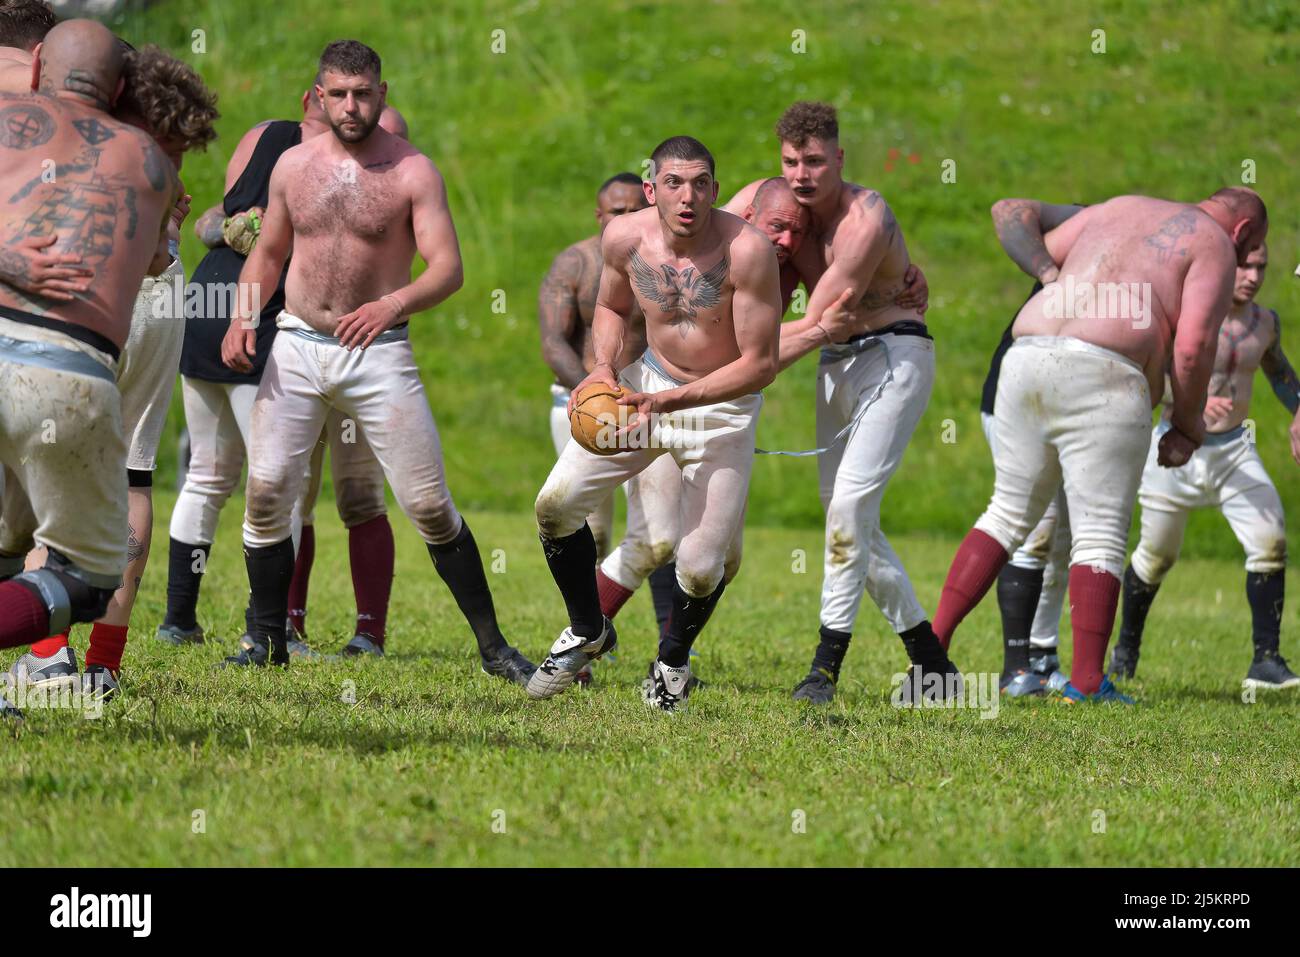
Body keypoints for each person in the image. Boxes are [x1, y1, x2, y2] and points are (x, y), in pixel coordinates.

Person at [220, 40, 535, 684]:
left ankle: (494, 648)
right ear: (318, 97)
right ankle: (268, 639)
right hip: (300, 343)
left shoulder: (414, 171)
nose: (351, 106)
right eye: (338, 94)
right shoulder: (292, 166)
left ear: (382, 94)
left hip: (378, 351)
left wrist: (391, 304)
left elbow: (448, 270)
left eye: (363, 93)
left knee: (427, 504)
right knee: (266, 494)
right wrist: (242, 314)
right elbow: (268, 251)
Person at [931, 187, 1268, 703]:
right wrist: (1187, 423)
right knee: (1101, 534)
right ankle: (1088, 682)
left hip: (1026, 355)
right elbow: (1195, 344)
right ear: (1243, 232)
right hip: (1106, 370)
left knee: (1004, 514)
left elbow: (1028, 231)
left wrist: (1049, 278)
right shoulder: (1215, 244)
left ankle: (930, 654)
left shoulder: (1117, 208)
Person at [529, 135, 807, 711]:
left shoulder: (748, 251)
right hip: (643, 389)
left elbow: (759, 366)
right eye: (674, 184)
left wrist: (676, 402)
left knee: (702, 568)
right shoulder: (625, 237)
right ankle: (588, 628)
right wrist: (603, 367)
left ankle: (672, 662)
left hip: (720, 409)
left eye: (701, 183)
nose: (688, 197)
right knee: (554, 508)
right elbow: (610, 307)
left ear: (716, 191)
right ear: (650, 189)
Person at [160, 80, 407, 659]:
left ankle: (179, 619)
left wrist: (238, 227)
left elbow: (219, 218)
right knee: (282, 487)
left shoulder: (261, 136)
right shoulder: (327, 166)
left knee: (207, 474)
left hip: (203, 305)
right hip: (261, 319)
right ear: (317, 101)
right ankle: (267, 629)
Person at [7, 44, 216, 698]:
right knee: (125, 487)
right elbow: (159, 255)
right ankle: (94, 665)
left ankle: (41, 662)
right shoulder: (155, 162)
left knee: (18, 513)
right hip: (116, 317)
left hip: (33, 317)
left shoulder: (27, 115)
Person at [726, 102, 952, 705]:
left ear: (839, 158)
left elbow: (821, 317)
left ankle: (823, 670)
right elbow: (699, 245)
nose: (802, 174)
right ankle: (933, 668)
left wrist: (742, 370)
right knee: (846, 518)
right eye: (792, 161)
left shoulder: (864, 216)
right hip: (833, 364)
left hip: (893, 354)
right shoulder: (769, 204)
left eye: (816, 161)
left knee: (850, 507)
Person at [1113, 241, 1300, 689]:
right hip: (1175, 448)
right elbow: (1146, 374)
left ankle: (1266, 662)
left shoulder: (1265, 324)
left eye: (1261, 267)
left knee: (1269, 539)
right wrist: (1190, 401)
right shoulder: (1187, 316)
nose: (1253, 276)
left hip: (1235, 450)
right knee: (1156, 557)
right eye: (1244, 266)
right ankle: (1125, 653)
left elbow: (1280, 374)